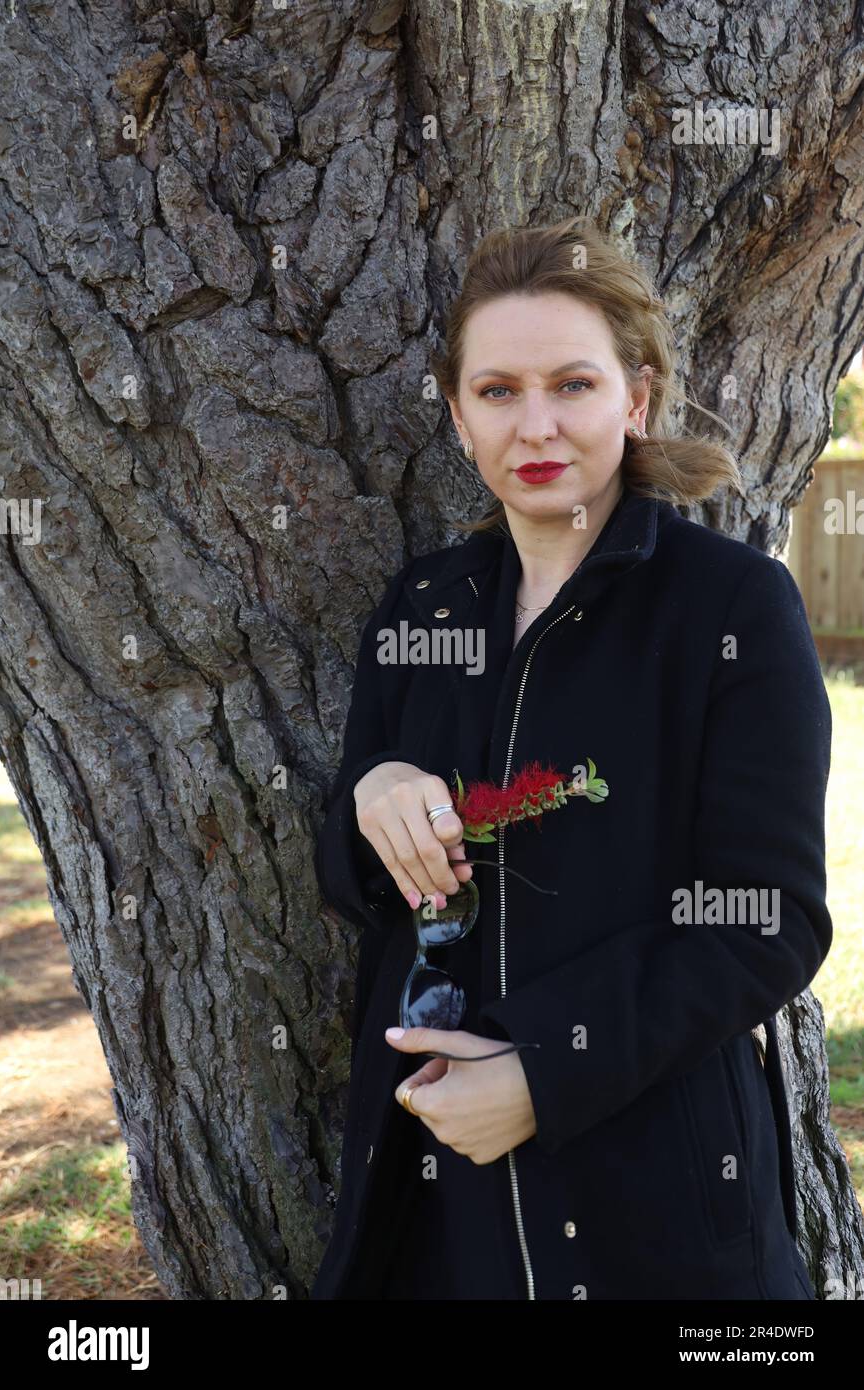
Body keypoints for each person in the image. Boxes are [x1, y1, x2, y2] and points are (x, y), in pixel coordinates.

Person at [311, 216, 830, 1301]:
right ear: (456, 417)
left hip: (651, 1190)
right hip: (432, 1193)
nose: (534, 424)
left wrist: (545, 1071)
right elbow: (354, 882)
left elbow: (764, 918)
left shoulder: (728, 605)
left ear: (633, 399)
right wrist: (375, 793)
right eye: (496, 390)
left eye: (572, 385)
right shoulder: (423, 604)